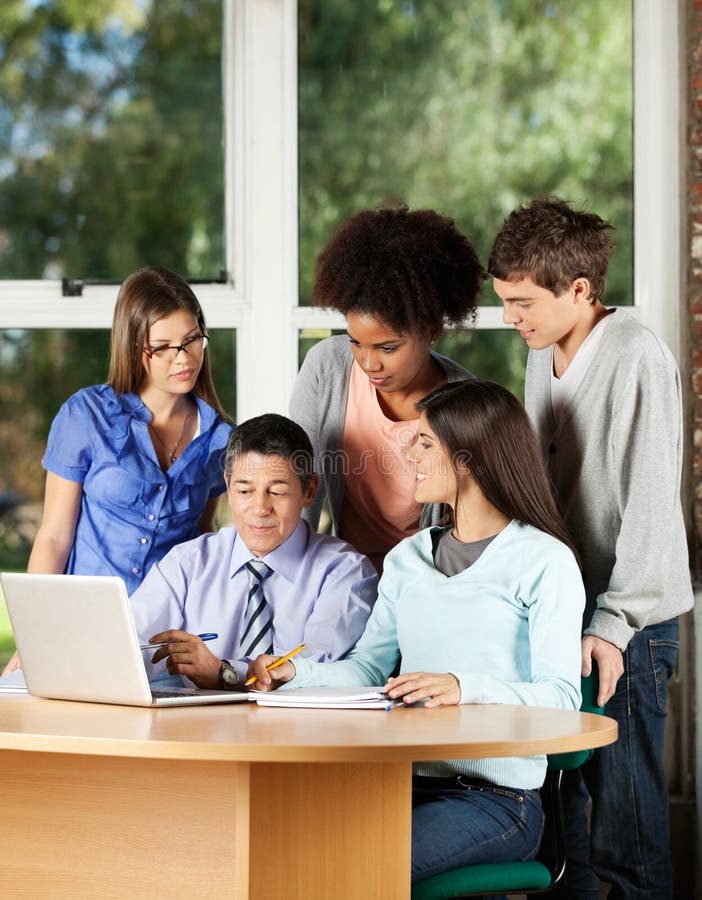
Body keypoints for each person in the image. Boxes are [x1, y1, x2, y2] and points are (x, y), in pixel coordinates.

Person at [250, 380, 585, 883]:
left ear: (469, 459)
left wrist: (463, 688)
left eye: (425, 441)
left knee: (350, 869)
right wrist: (290, 674)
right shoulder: (407, 558)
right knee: (286, 852)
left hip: (496, 800)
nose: (409, 451)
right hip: (397, 781)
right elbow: (367, 669)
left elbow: (562, 700)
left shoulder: (544, 561)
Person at [489, 196, 694, 899]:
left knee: (627, 837)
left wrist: (613, 624)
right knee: (562, 831)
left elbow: (651, 507)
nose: (511, 318)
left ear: (579, 290)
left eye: (522, 302)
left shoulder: (637, 356)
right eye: (505, 302)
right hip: (567, 619)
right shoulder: (542, 356)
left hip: (626, 631)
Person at [2, 265, 232, 675]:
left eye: (192, 340)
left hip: (162, 646)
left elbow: (200, 545)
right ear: (133, 346)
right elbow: (54, 536)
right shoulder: (85, 416)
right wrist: (31, 638)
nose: (183, 359)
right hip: (78, 627)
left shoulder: (220, 441)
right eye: (162, 347)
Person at [290, 203, 485, 572]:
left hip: (426, 579)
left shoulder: (464, 398)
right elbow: (299, 484)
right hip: (341, 575)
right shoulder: (326, 368)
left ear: (429, 332)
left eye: (387, 348)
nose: (368, 363)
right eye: (356, 342)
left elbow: (469, 528)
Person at [130, 413, 378, 689]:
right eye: (245, 491)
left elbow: (309, 672)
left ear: (309, 491)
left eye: (277, 492)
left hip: (298, 729)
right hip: (193, 730)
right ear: (228, 486)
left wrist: (223, 672)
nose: (260, 509)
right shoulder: (186, 563)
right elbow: (128, 647)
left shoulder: (343, 572)